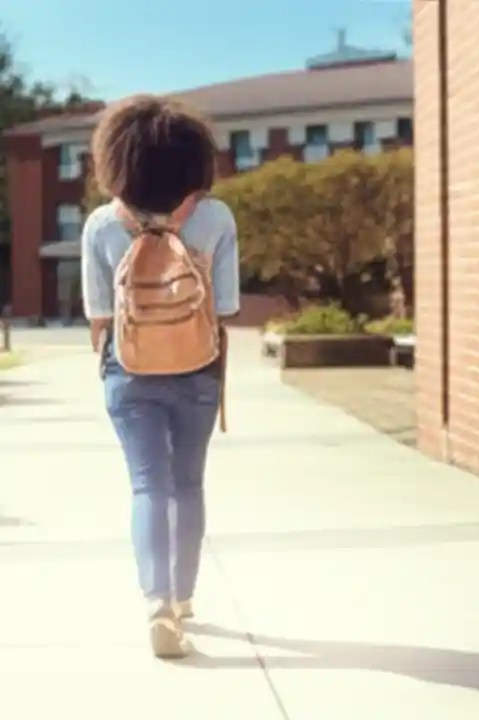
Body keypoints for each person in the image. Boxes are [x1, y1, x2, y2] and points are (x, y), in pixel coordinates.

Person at [81, 95, 240, 659]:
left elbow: (98, 314)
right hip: (197, 368)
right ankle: (186, 597)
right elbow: (225, 305)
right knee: (189, 483)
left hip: (129, 371)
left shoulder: (103, 223)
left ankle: (157, 603)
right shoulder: (215, 218)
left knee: (147, 484)